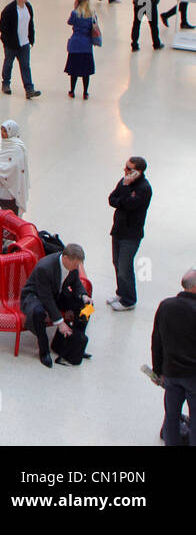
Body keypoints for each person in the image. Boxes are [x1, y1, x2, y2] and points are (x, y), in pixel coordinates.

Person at [20, 244, 92, 368]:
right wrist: (60, 322)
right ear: (65, 258)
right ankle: (44, 352)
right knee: (38, 312)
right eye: (76, 264)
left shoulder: (72, 267)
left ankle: (76, 345)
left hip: (56, 294)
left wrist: (83, 296)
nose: (77, 267)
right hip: (36, 296)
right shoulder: (45, 267)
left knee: (87, 307)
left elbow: (76, 283)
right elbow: (46, 298)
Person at [151, 269, 196, 445]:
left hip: (171, 373)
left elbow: (156, 340)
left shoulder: (166, 305)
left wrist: (157, 371)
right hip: (193, 375)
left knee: (171, 415)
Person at [108, 156, 152, 312]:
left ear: (138, 172)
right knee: (117, 263)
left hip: (131, 235)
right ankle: (121, 293)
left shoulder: (144, 189)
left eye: (129, 169)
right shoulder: (124, 181)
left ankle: (129, 300)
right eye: (125, 167)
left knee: (125, 266)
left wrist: (125, 191)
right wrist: (123, 199)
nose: (125, 170)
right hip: (118, 230)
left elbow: (130, 205)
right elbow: (112, 199)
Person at [0, 0, 40, 98]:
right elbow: (2, 27)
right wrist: (8, 41)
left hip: (24, 43)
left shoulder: (28, 7)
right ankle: (6, 83)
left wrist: (31, 38)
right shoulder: (9, 10)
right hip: (12, 44)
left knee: (25, 65)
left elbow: (31, 24)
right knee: (8, 63)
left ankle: (29, 89)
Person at [0, 119, 30, 215]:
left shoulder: (18, 148)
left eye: (5, 131)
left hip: (11, 191)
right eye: (1, 130)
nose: (2, 133)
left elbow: (13, 167)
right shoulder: (0, 144)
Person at [65, 0, 98, 98]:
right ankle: (85, 93)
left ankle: (72, 91)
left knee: (73, 70)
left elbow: (69, 22)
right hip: (86, 45)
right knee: (86, 71)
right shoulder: (92, 14)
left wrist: (75, 8)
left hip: (75, 44)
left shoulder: (75, 13)